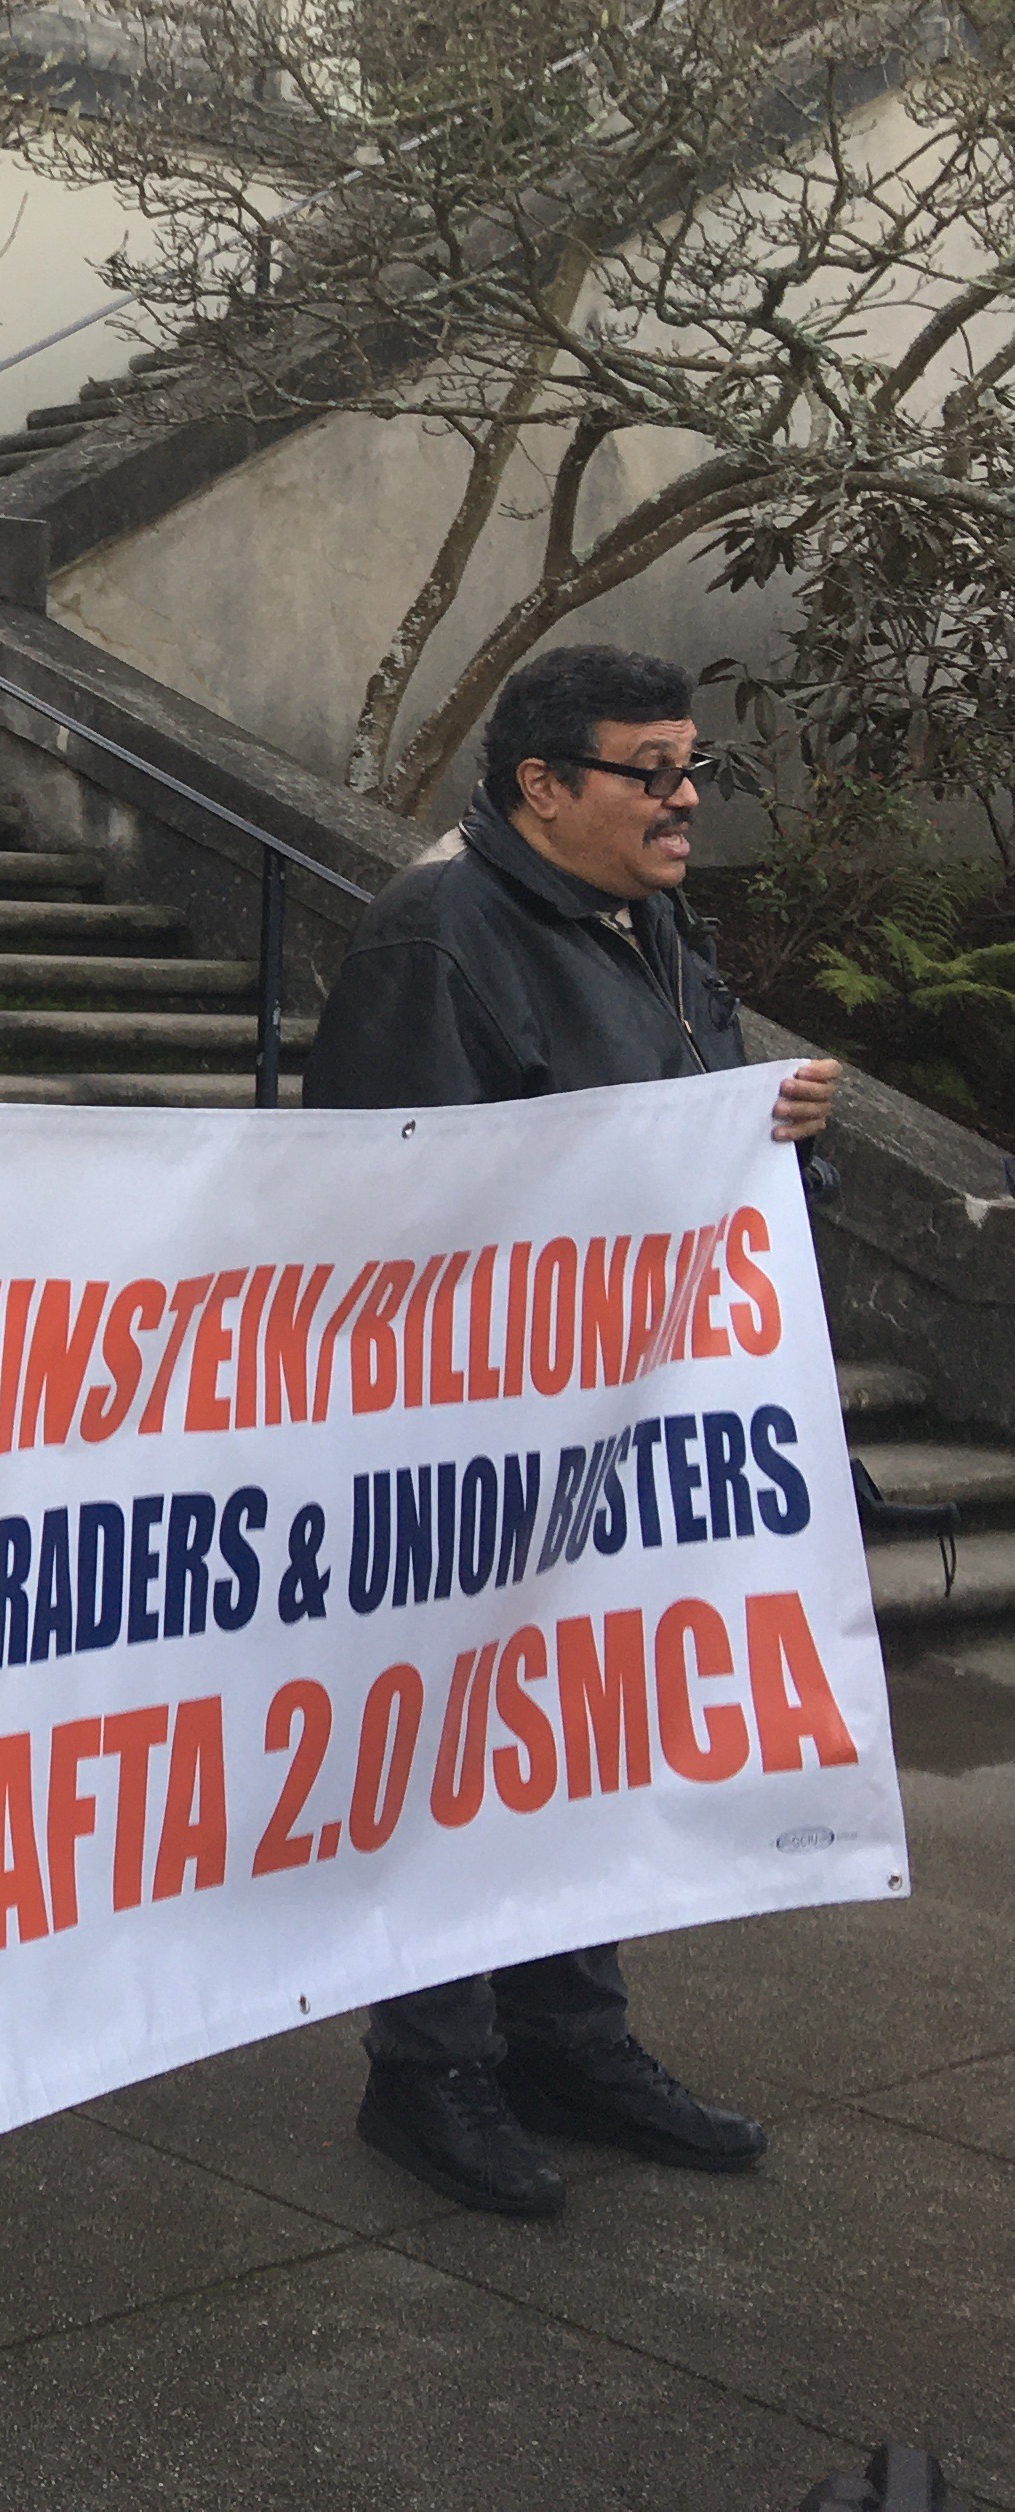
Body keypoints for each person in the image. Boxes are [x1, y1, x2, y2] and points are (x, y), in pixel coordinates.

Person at [306, 640, 839, 2221]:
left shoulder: (652, 924)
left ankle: (568, 2037)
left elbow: (671, 1147)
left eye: (693, 769)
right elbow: (385, 1219)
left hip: (631, 1423)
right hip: (479, 1443)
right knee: (462, 1745)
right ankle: (431, 2070)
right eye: (651, 772)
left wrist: (766, 1134)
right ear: (541, 787)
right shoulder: (434, 940)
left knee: (587, 1742)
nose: (686, 803)